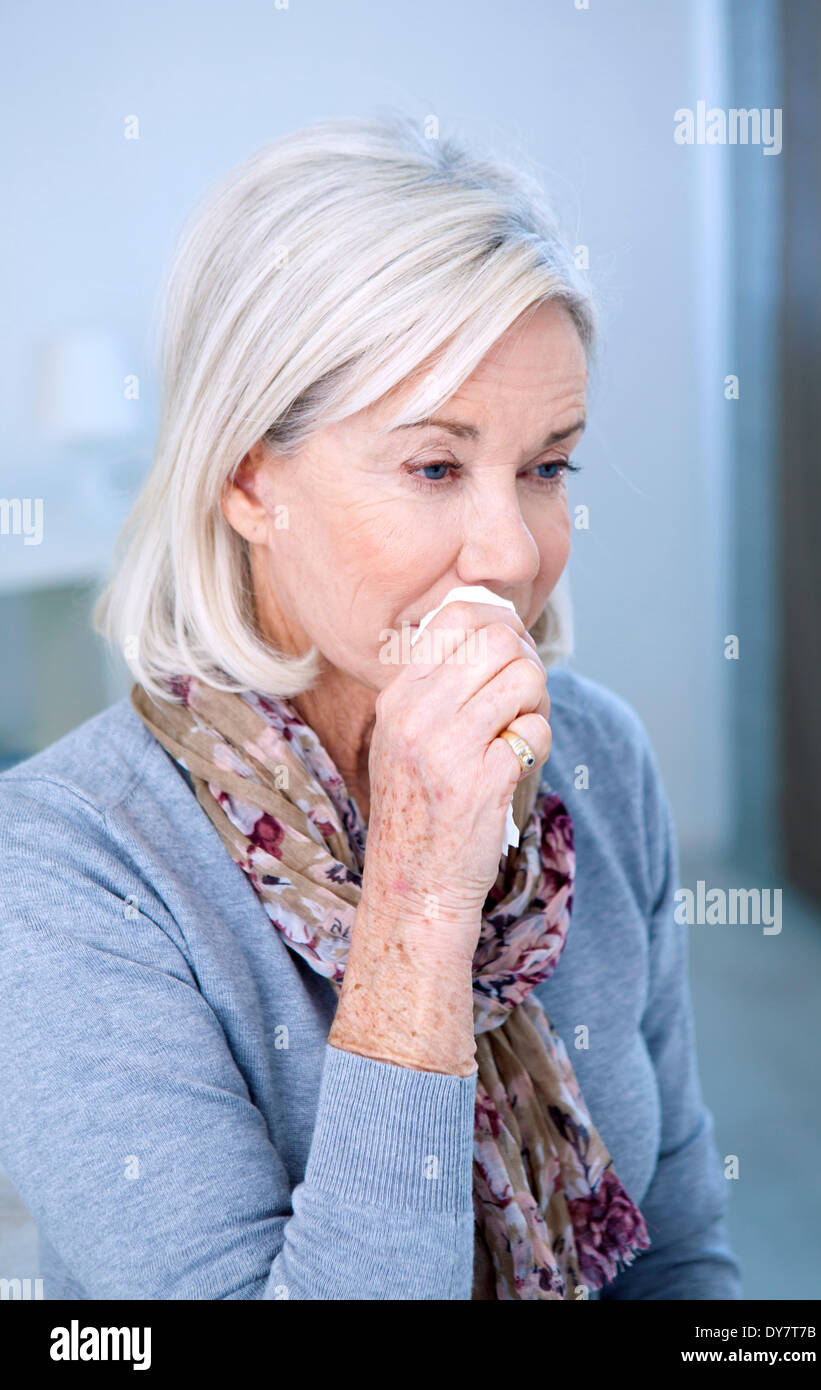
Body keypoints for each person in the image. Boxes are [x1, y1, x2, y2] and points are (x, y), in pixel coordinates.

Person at [0, 115, 742, 1300]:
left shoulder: (595, 757)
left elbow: (681, 1251)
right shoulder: (62, 867)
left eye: (546, 466)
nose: (509, 552)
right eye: (435, 467)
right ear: (247, 477)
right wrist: (418, 897)